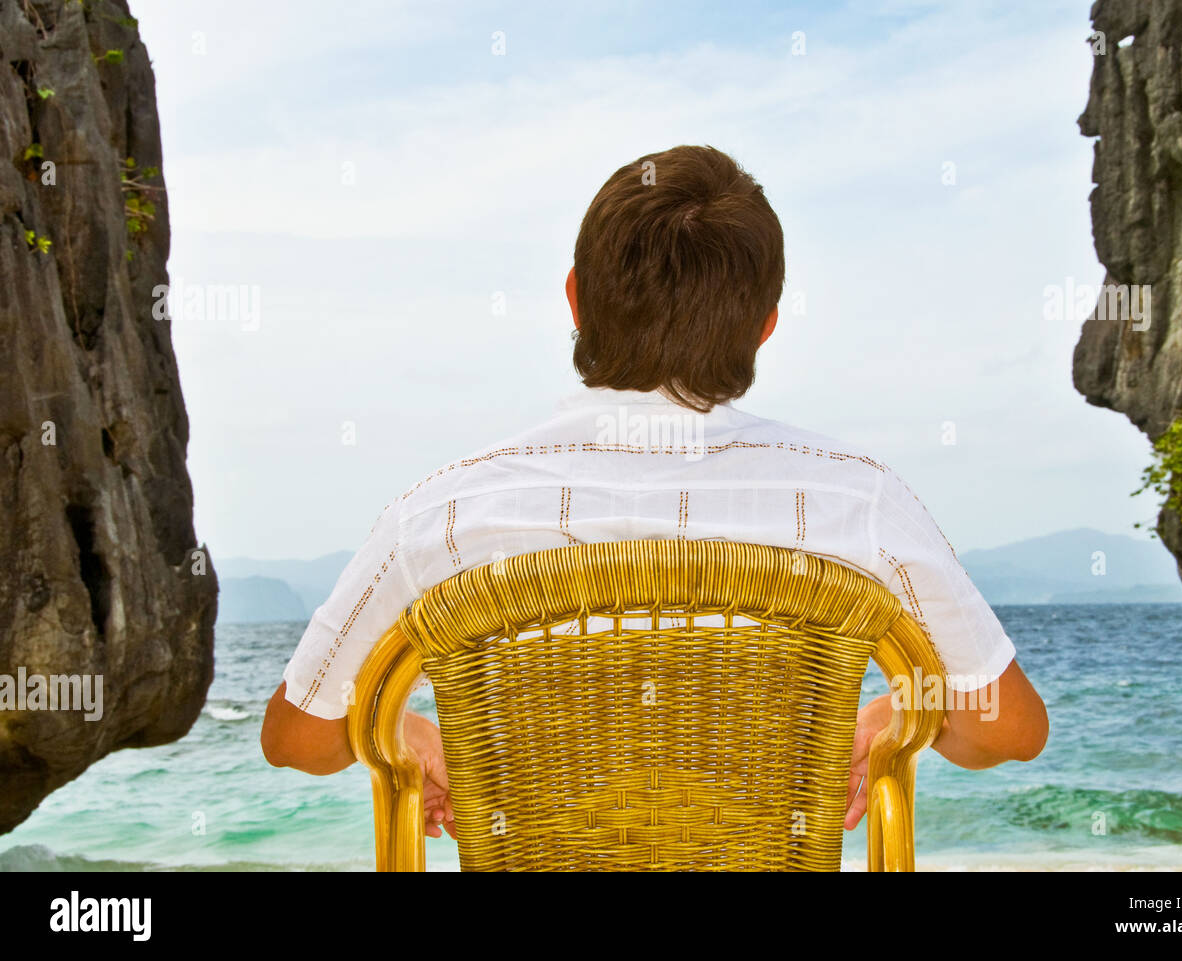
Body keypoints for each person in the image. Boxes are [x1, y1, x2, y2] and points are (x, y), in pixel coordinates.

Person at [261, 144, 1048, 842]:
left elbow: (297, 738)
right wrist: (891, 716)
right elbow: (1009, 729)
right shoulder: (857, 501)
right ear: (766, 325)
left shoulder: (444, 513)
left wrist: (408, 731)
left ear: (574, 297)